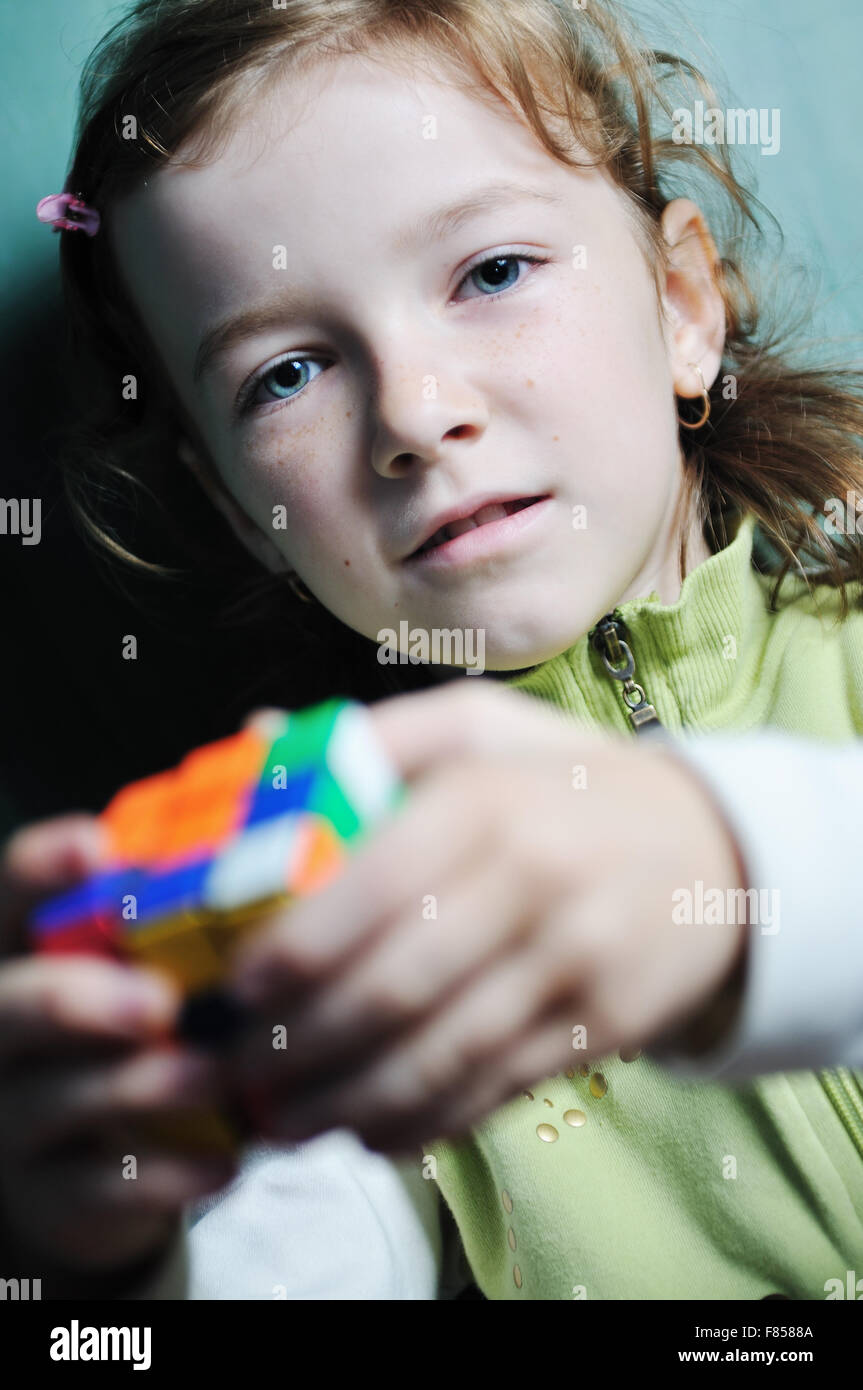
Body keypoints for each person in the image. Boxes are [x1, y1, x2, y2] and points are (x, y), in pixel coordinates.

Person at [6, 0, 863, 1299]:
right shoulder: (328, 887)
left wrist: (727, 872)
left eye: (492, 272)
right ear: (246, 509)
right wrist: (125, 1245)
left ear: (683, 307)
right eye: (285, 373)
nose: (412, 411)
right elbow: (302, 1242)